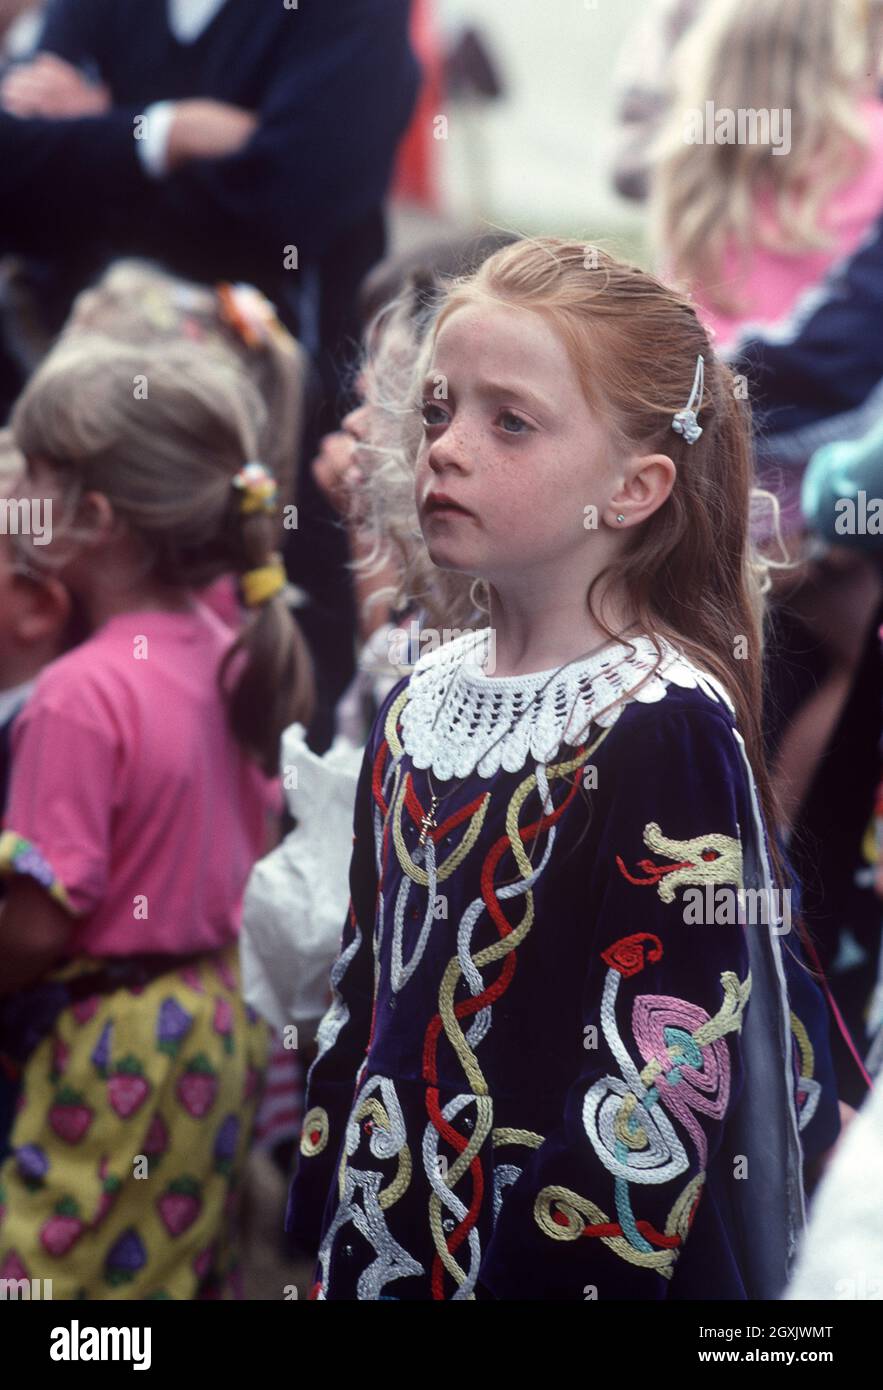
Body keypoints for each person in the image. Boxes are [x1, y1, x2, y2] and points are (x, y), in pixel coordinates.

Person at [286, 238, 840, 1301]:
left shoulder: (661, 725)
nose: (444, 447)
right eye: (439, 408)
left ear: (633, 488)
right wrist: (322, 1208)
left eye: (510, 422)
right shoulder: (418, 705)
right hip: (380, 1245)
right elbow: (361, 992)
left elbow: (667, 1065)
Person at [0, 339, 312, 1298]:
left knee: (53, 1273)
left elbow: (43, 917)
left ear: (95, 518)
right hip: (217, 1028)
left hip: (108, 1044)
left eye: (34, 474)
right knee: (162, 1274)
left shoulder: (77, 697)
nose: (13, 487)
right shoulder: (232, 653)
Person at [651, 0, 883, 356]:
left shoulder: (693, 143)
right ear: (840, 43)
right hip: (817, 389)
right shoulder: (867, 140)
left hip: (698, 382)